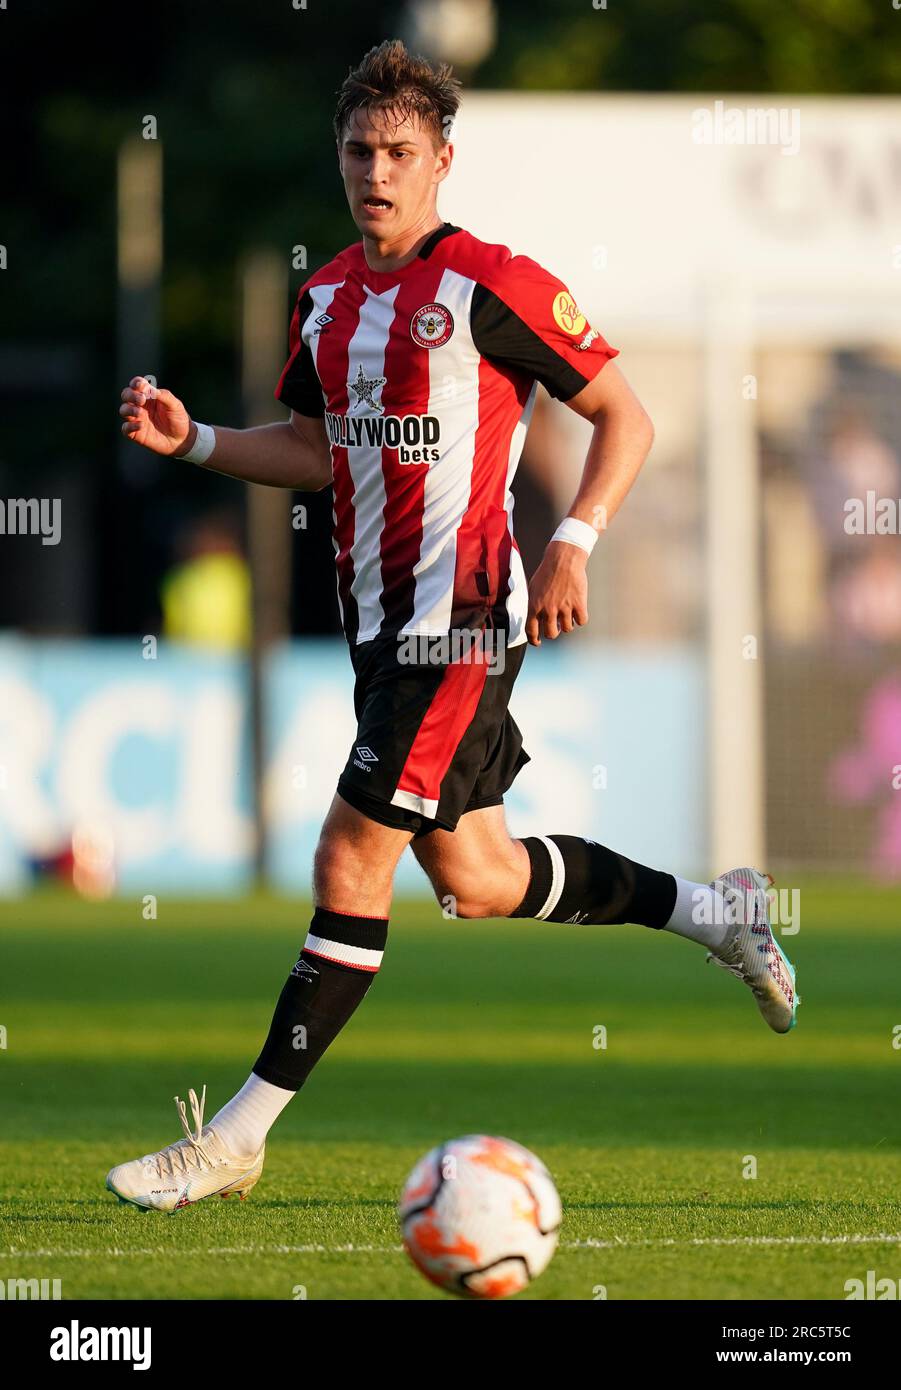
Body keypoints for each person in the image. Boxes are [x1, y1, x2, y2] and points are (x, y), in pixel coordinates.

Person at [108, 40, 797, 1213]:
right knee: (475, 875)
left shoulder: (490, 284)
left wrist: (571, 541)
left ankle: (235, 1136)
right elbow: (320, 454)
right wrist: (201, 443)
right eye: (358, 150)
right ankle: (716, 911)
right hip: (381, 632)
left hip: (463, 620)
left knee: (346, 855)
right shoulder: (325, 298)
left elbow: (621, 418)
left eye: (398, 152)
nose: (375, 171)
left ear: (440, 162)